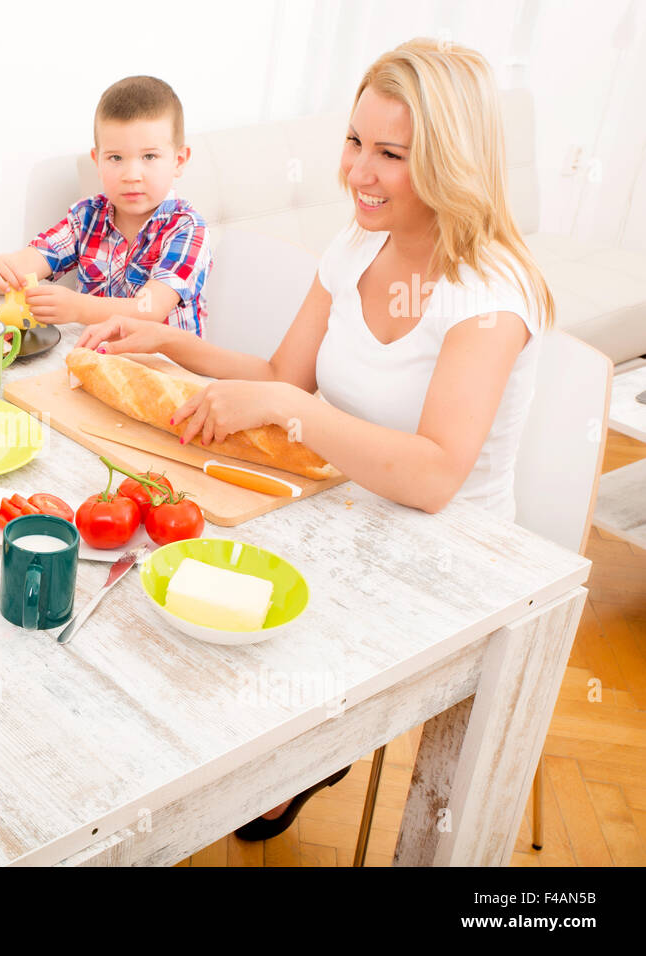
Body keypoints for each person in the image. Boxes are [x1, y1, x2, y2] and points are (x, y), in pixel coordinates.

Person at [76, 39, 554, 839]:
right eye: (355, 142)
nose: (358, 172)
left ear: (452, 162)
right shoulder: (358, 244)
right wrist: (164, 344)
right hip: (333, 511)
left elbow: (435, 476)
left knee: (223, 696)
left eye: (391, 154)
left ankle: (291, 757)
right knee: (149, 614)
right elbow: (281, 375)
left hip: (444, 560)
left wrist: (282, 408)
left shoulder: (489, 293)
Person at [0, 75, 213, 334]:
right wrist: (3, 269)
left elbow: (150, 309)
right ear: (97, 161)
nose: (131, 174)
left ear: (179, 161)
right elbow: (35, 258)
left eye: (149, 156)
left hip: (166, 367)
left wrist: (78, 308)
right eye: (115, 157)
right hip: (98, 357)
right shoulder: (87, 216)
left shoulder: (187, 228)